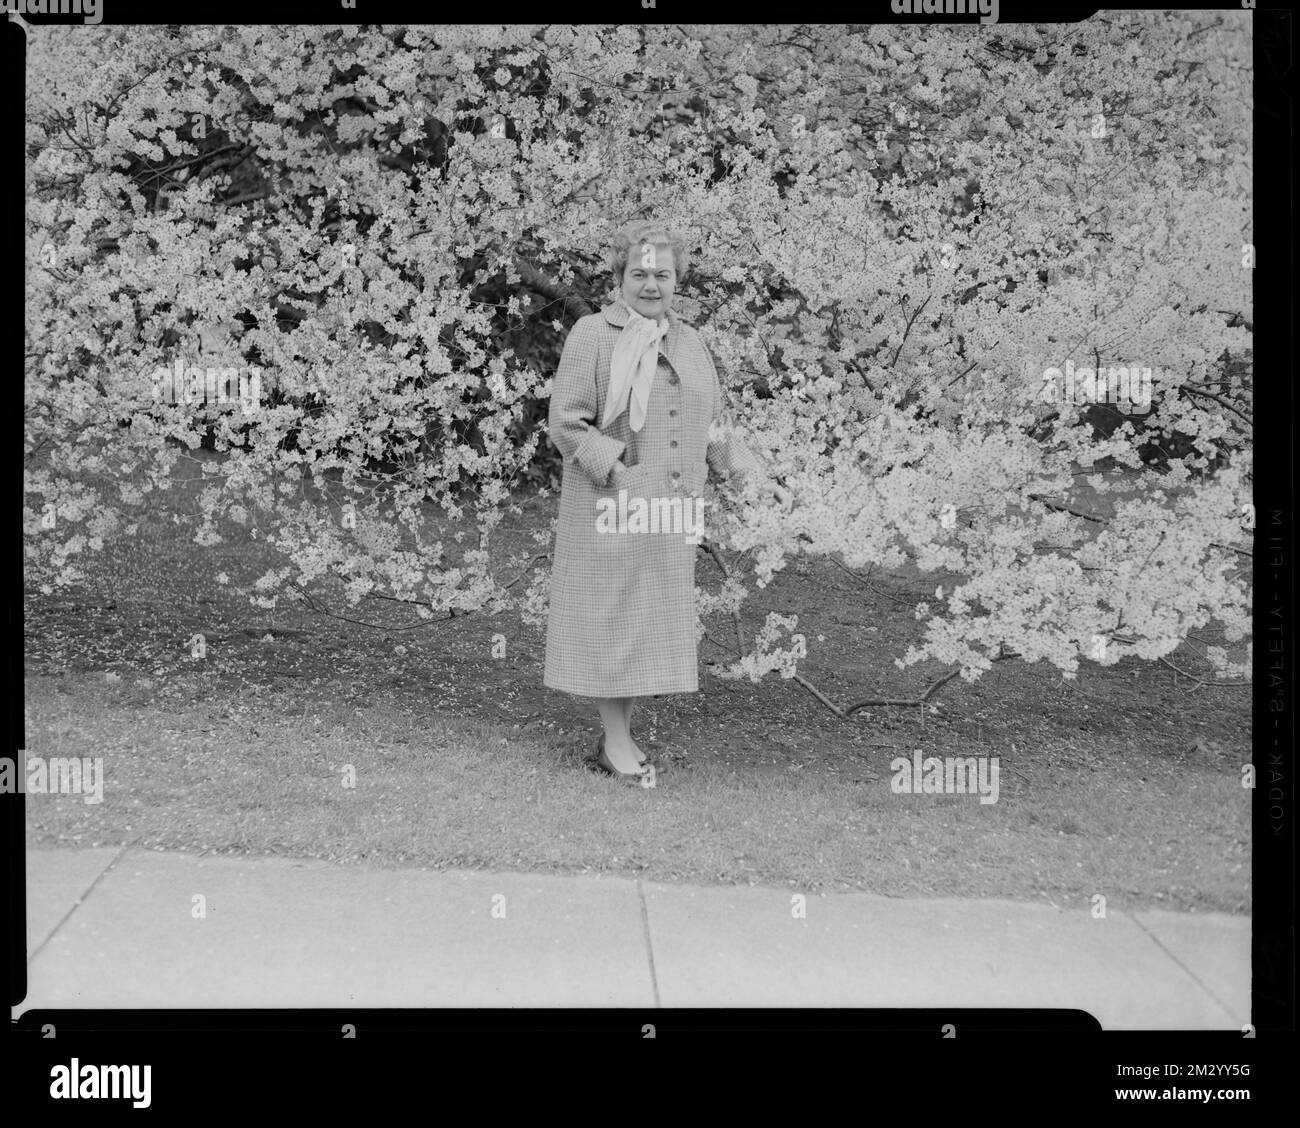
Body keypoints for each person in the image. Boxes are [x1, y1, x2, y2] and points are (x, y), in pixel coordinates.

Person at [543, 219, 791, 787]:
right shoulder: (592, 334)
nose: (650, 284)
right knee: (612, 617)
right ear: (618, 277)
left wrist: (752, 477)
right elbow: (566, 424)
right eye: (639, 273)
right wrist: (622, 475)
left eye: (662, 273)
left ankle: (618, 737)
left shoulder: (690, 341)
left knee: (643, 623)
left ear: (678, 279)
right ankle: (615, 742)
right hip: (612, 503)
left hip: (672, 510)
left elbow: (713, 427)